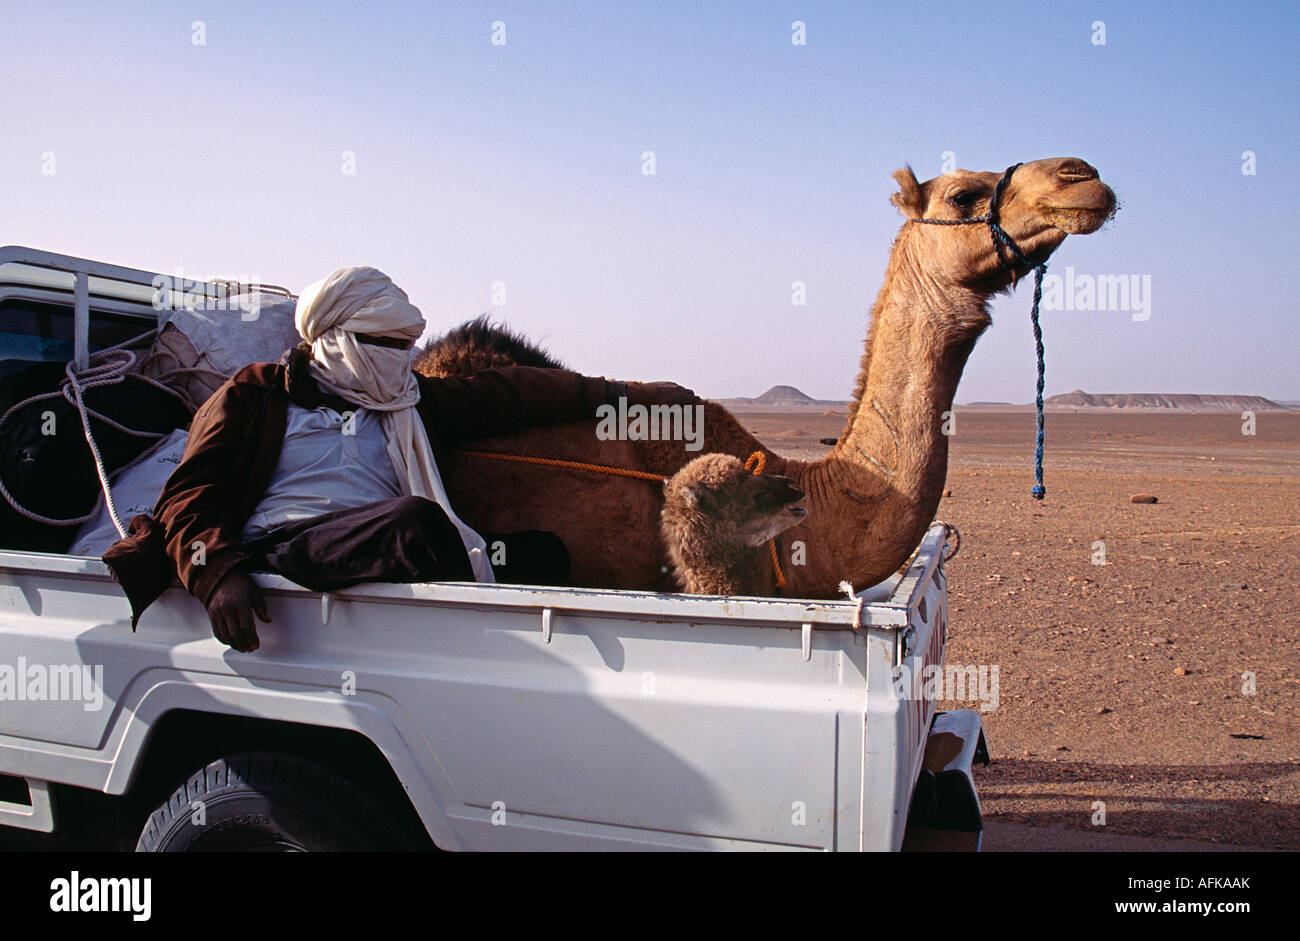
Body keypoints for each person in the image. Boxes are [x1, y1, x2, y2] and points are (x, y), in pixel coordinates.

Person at [104, 266, 693, 652]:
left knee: (548, 552)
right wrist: (216, 573)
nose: (400, 358)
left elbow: (508, 394)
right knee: (416, 521)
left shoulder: (406, 401)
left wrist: (626, 393)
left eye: (405, 346)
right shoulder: (254, 395)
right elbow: (189, 494)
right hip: (280, 549)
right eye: (385, 345)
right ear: (336, 340)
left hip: (369, 540)